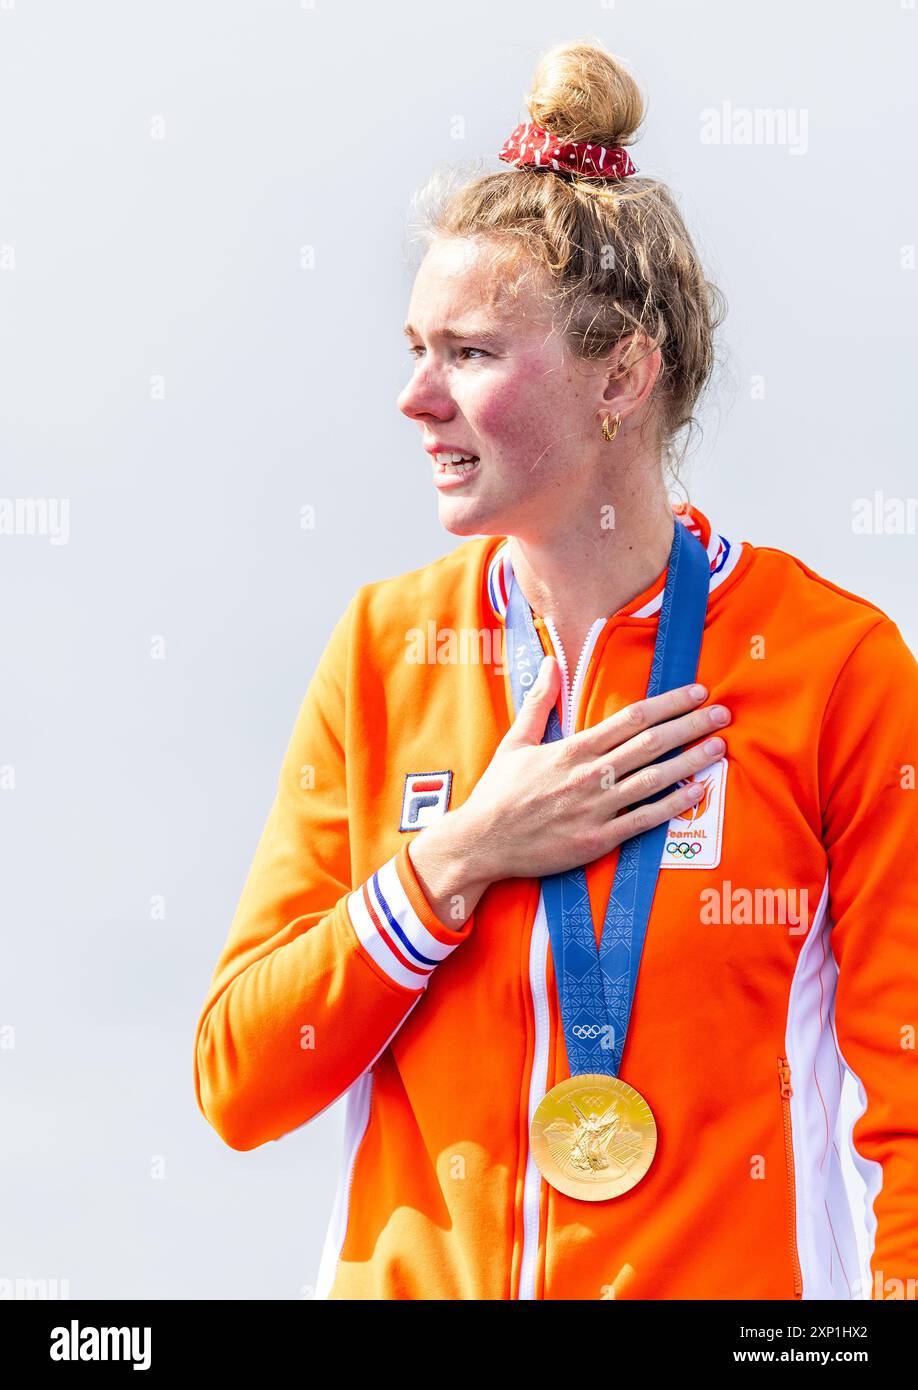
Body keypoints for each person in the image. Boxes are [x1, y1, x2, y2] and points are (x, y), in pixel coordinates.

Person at [193, 39, 918, 1300]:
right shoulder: (381, 650)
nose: (415, 398)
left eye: (468, 353)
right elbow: (241, 1084)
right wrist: (451, 863)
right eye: (413, 347)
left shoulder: (835, 667)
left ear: (621, 377)